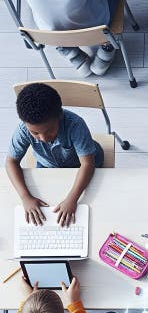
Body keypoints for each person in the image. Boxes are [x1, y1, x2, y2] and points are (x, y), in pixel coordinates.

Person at [9, 0, 124, 76]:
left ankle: (70, 52)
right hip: (97, 28)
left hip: (53, 36)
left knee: (54, 26)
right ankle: (106, 48)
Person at [7, 82, 103, 226]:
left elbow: (88, 164)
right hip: (47, 166)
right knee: (47, 202)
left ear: (60, 116)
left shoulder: (75, 124)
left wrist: (72, 199)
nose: (43, 138)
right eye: (35, 133)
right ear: (25, 123)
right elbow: (10, 162)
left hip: (82, 164)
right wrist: (25, 197)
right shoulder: (24, 129)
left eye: (49, 130)